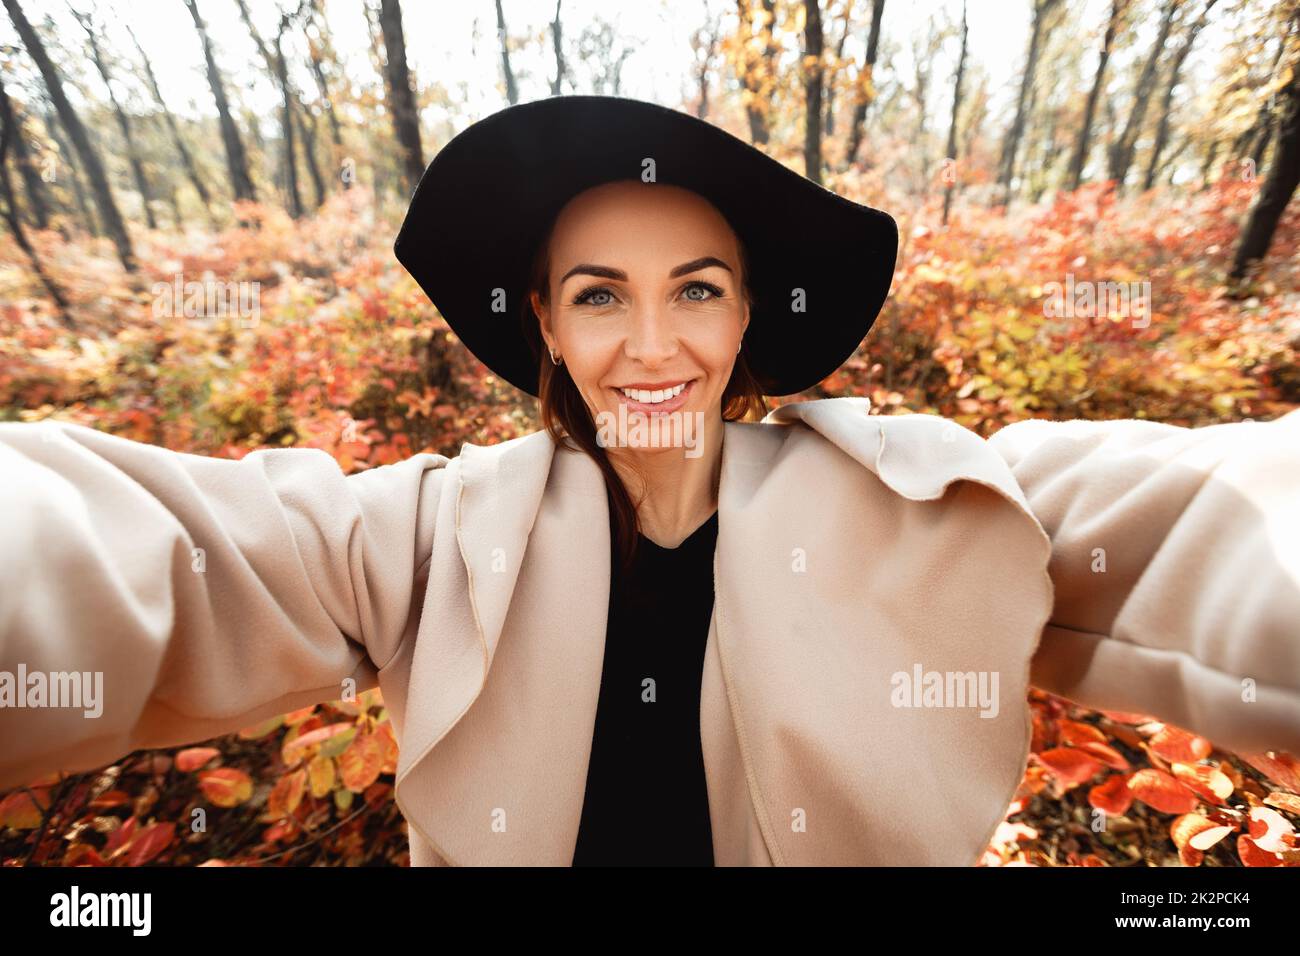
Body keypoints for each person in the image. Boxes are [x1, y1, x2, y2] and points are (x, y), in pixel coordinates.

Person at [1, 96, 1297, 867]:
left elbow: (1195, 523)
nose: (655, 343)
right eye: (600, 294)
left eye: (698, 289)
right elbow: (164, 550)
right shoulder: (428, 534)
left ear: (746, 321)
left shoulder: (905, 505)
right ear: (548, 328)